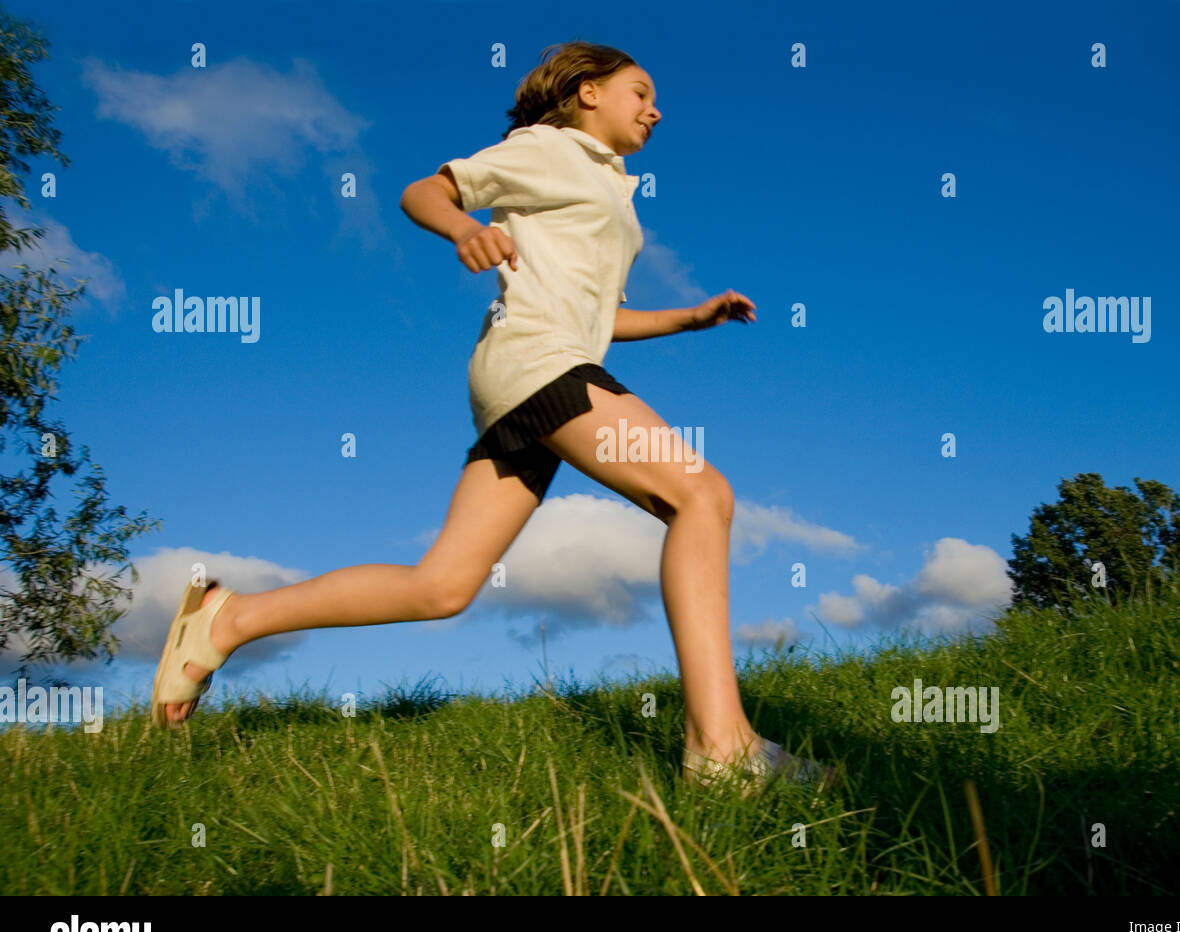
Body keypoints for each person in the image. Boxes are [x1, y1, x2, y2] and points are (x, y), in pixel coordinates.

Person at [151, 41, 838, 798]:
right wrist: (462, 228)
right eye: (639, 91)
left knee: (440, 586)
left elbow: (601, 316)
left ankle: (229, 618)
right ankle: (721, 746)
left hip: (537, 367)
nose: (655, 108)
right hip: (539, 363)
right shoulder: (547, 149)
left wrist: (690, 317)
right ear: (585, 92)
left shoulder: (611, 186)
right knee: (701, 496)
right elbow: (425, 190)